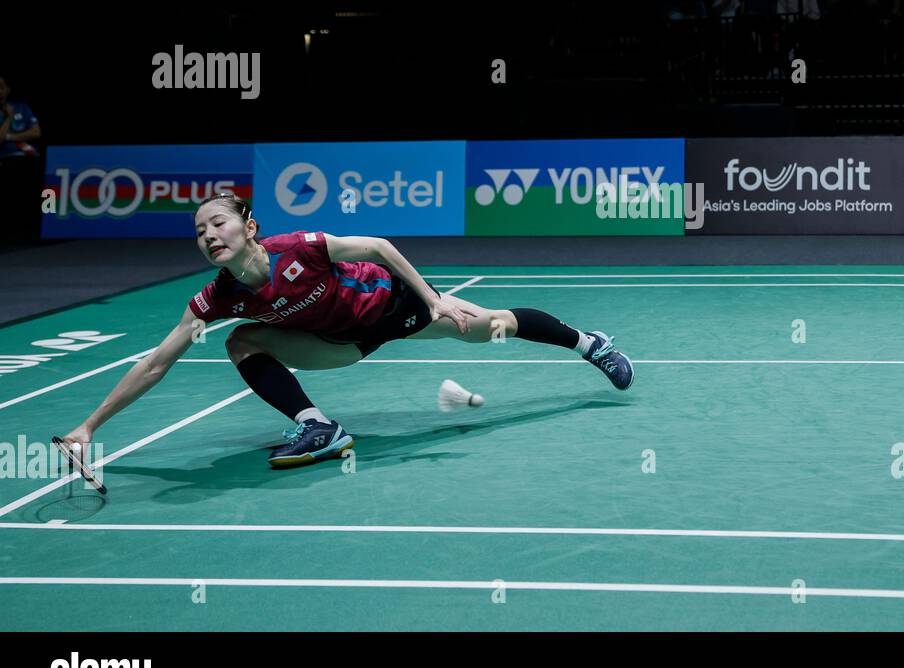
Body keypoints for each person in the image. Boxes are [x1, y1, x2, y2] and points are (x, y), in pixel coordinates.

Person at [58, 193, 635, 468]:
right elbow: (157, 362)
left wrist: (432, 301)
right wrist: (88, 427)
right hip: (342, 344)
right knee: (241, 340)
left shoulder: (298, 249)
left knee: (493, 326)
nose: (209, 235)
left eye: (219, 223)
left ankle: (591, 344)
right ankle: (320, 428)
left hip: (393, 306)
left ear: (249, 227)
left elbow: (379, 247)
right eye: (200, 232)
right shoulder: (216, 298)